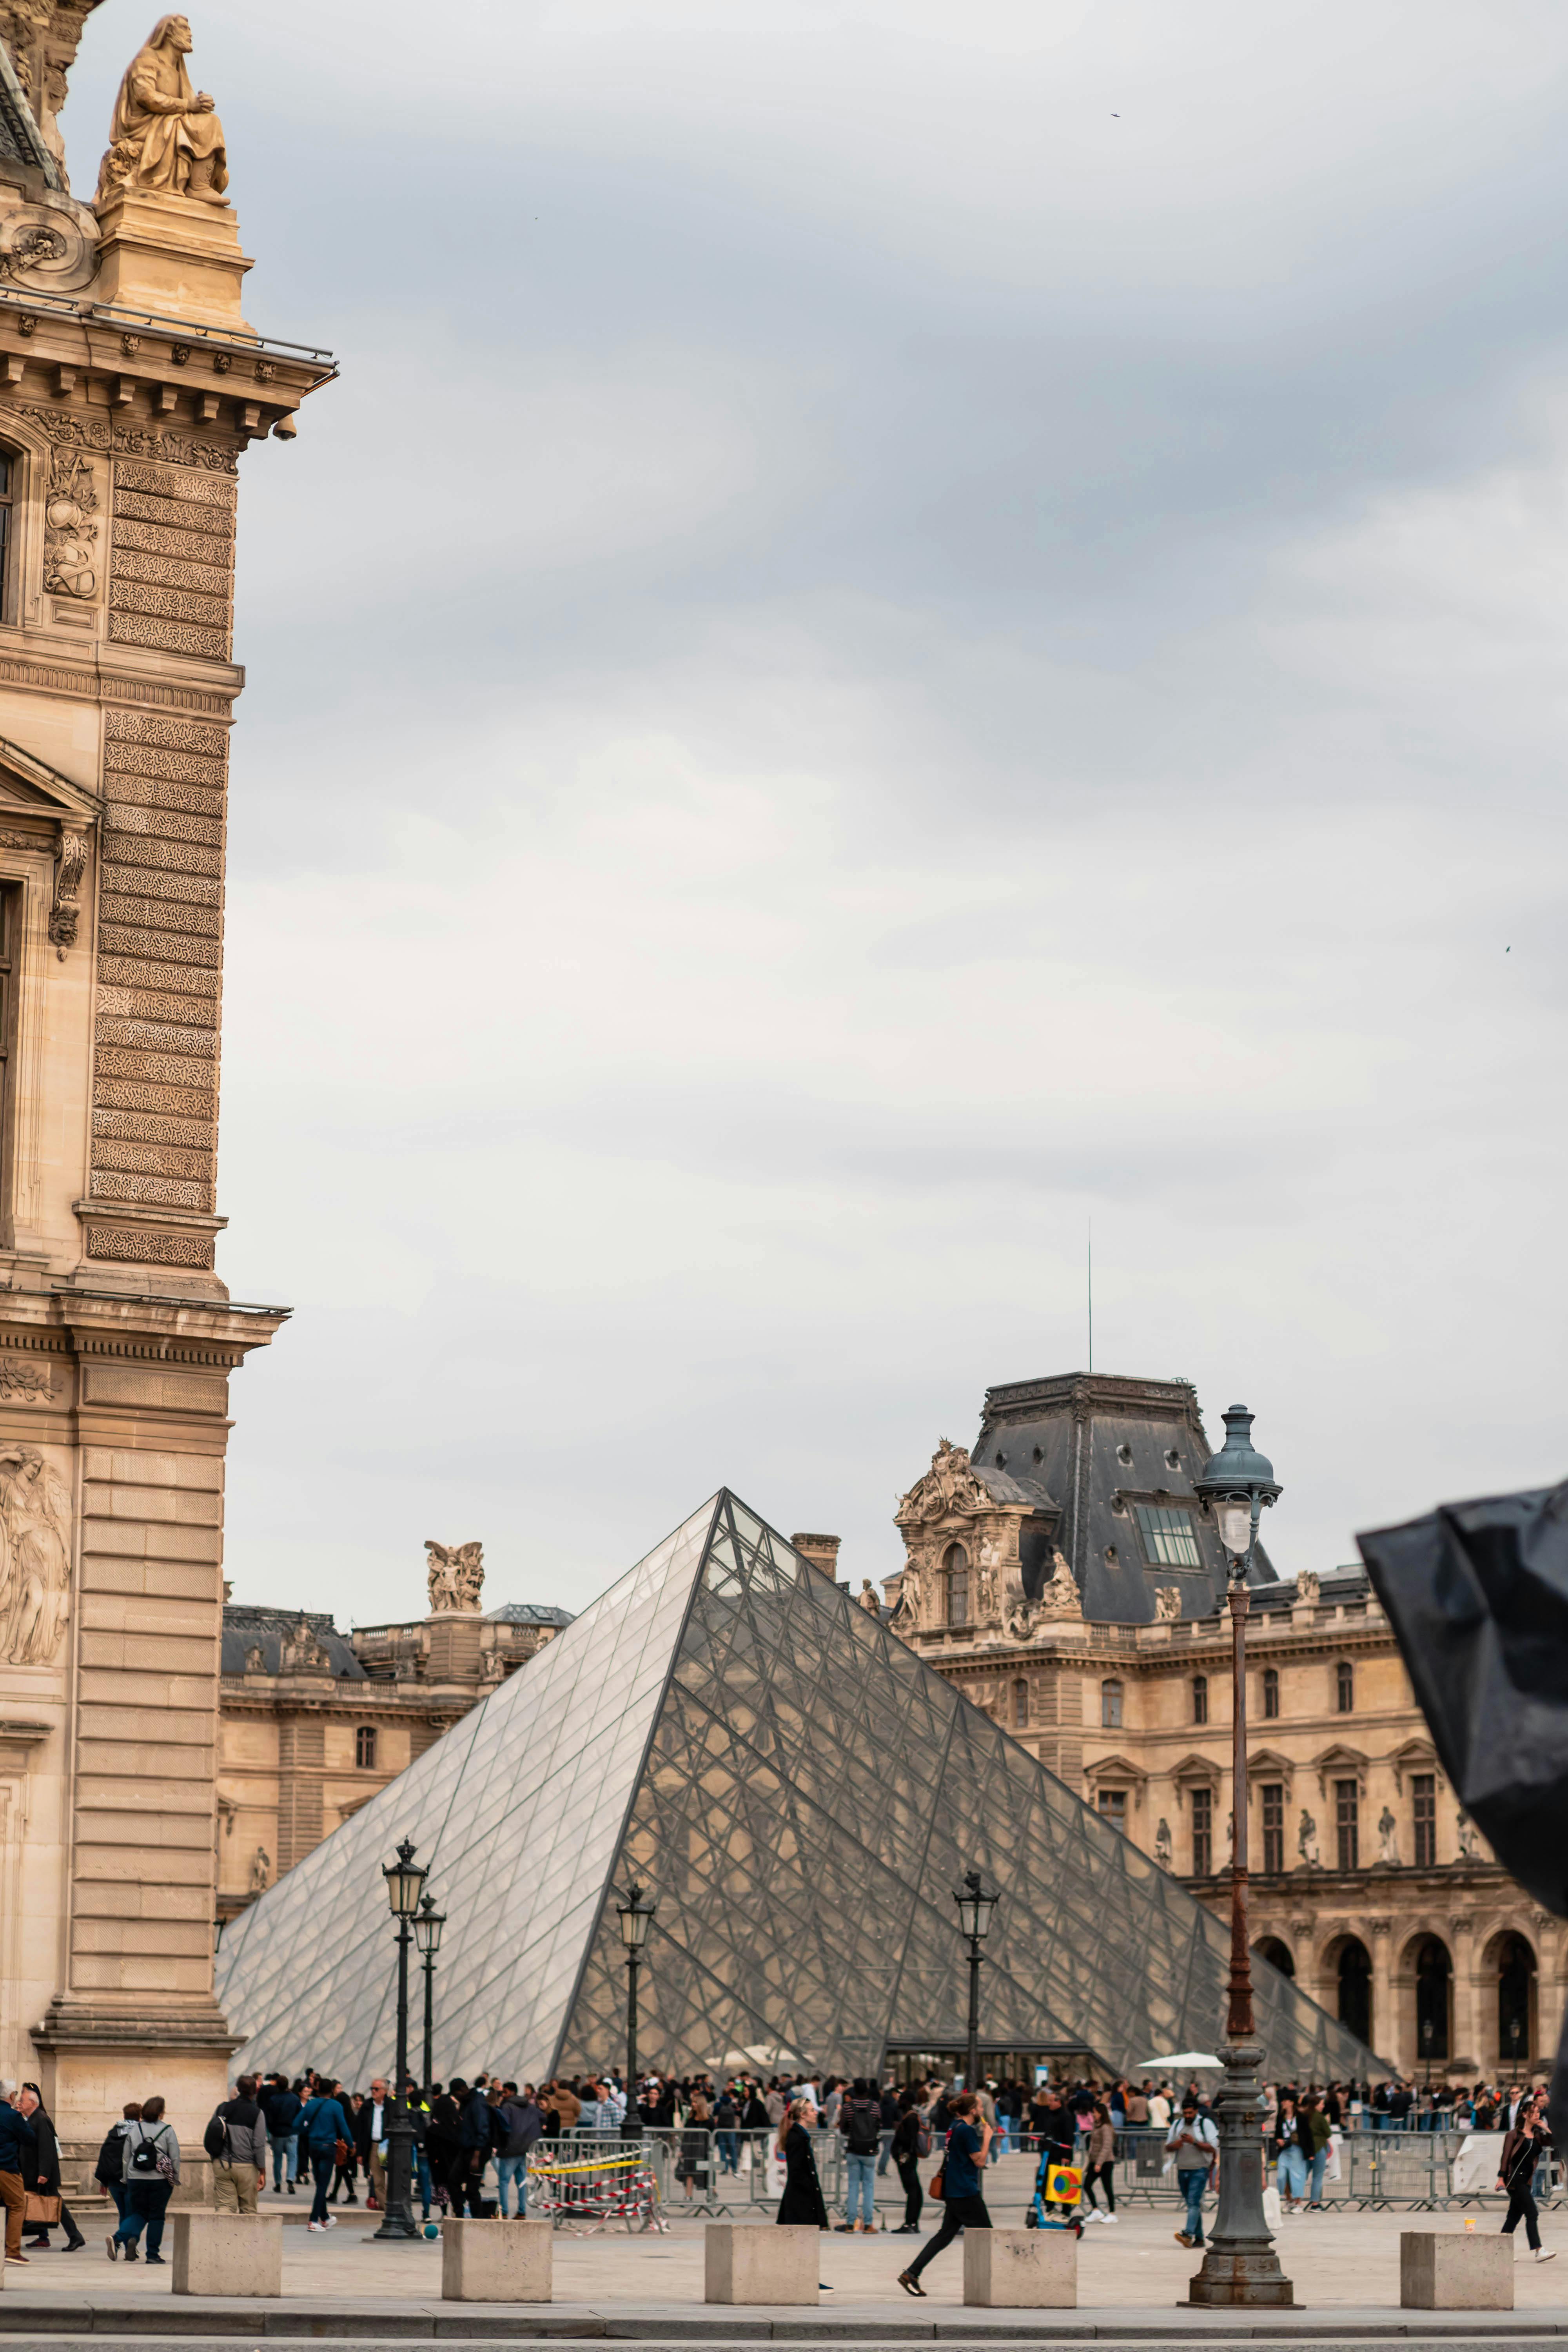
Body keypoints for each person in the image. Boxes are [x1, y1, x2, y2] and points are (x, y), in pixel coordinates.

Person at [897, 2089, 990, 2296]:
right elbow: (980, 2161)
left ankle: (911, 2273)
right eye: (981, 2107)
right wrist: (988, 2138)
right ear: (973, 2110)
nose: (983, 2110)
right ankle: (995, 2282)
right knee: (989, 2235)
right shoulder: (966, 2130)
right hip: (965, 2191)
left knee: (945, 2235)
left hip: (953, 2189)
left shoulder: (954, 2127)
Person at [109, 2094, 179, 2263]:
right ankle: (153, 2255)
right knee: (156, 2216)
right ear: (161, 2113)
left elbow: (126, 2157)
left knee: (139, 2213)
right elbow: (175, 2156)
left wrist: (127, 2178)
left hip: (136, 2178)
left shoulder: (135, 2129)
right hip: (160, 2180)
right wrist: (175, 2177)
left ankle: (117, 2238)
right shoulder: (167, 2130)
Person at [16, 2083, 83, 2253]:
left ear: (33, 2102)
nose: (20, 2102)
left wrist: (44, 2173)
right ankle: (45, 2235)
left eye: (23, 2100)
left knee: (56, 2204)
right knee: (46, 2203)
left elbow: (47, 2148)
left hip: (42, 2174)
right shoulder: (32, 2118)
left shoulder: (41, 2119)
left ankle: (75, 2236)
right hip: (32, 2172)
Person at [1499, 2094, 1557, 2263]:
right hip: (1514, 2180)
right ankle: (1539, 2250)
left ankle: (1500, 2250)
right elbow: (1506, 2157)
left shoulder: (1538, 2136)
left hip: (1526, 2181)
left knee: (1513, 2217)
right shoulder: (1514, 2135)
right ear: (1524, 2114)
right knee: (1532, 2213)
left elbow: (1554, 2142)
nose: (1537, 2115)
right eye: (1533, 2112)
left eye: (1538, 2112)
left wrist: (1544, 2127)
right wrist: (1501, 2178)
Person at [297, 2078, 354, 2233]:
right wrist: (351, 2145)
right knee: (323, 2185)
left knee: (320, 2183)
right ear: (332, 2091)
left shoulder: (311, 2104)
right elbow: (344, 2128)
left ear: (317, 2088)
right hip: (328, 2147)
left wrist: (310, 2134)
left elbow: (297, 2124)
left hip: (313, 2146)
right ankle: (313, 2220)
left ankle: (325, 2217)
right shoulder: (336, 2106)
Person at [206, 2074, 266, 2217]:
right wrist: (262, 2171)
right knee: (248, 2210)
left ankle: (221, 2238)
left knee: (224, 2207)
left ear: (238, 2089)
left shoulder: (222, 2108)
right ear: (255, 2091)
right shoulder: (257, 2113)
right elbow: (259, 2145)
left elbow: (212, 2133)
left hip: (222, 2164)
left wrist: (215, 2158)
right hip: (247, 2167)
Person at [1166, 2096, 1218, 2251]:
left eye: (1190, 2113)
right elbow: (1168, 2147)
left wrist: (1194, 2142)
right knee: (1192, 2204)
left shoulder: (1205, 2124)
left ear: (1196, 2111)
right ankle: (1200, 2239)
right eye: (1185, 2113)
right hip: (1183, 2169)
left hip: (1200, 2169)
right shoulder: (1177, 2125)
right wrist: (1178, 2144)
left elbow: (1213, 2147)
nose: (1188, 2116)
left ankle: (1188, 2233)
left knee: (1194, 2201)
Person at [777, 2098, 829, 2229]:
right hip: (801, 2200)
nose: (816, 2113)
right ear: (803, 2115)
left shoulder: (801, 2136)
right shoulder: (797, 2138)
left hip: (803, 2197)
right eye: (812, 2110)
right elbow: (797, 2171)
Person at [838, 2078, 881, 2232]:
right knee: (869, 2187)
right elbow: (879, 2125)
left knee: (853, 2186)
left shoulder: (848, 2107)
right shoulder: (874, 2106)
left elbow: (843, 2127)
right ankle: (868, 2224)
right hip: (870, 2151)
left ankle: (850, 2224)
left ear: (854, 2091)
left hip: (853, 2149)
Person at [0, 2082, 35, 2268]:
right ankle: (13, 2251)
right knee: (17, 2206)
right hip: (6, 2168)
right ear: (12, 2096)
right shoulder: (13, 2116)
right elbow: (30, 2139)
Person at [495, 2087, 541, 2217]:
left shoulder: (507, 2107)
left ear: (511, 2093)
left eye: (505, 2092)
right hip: (526, 2148)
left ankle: (503, 2212)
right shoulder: (531, 2107)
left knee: (504, 2181)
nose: (503, 2095)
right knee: (522, 2182)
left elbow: (503, 2125)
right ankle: (522, 2211)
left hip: (510, 2149)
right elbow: (542, 2117)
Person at [94, 2104, 139, 2230]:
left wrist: (104, 2181)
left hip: (114, 2182)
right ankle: (123, 2242)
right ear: (140, 2117)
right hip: (131, 2180)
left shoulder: (114, 2132)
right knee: (131, 2214)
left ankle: (123, 2244)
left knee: (124, 2214)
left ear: (124, 2116)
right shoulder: (139, 2133)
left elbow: (104, 2156)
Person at [890, 2087, 924, 2234]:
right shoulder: (909, 2117)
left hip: (907, 2159)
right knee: (914, 2190)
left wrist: (899, 2130)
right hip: (908, 2158)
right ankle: (912, 2222)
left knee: (913, 2191)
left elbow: (910, 2140)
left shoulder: (910, 2118)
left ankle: (910, 2223)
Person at [354, 2079, 389, 2212]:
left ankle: (392, 2205)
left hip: (388, 2146)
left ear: (385, 2091)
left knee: (392, 2177)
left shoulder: (392, 2106)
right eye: (372, 2089)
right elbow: (361, 2130)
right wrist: (360, 2153)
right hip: (374, 2145)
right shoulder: (367, 2106)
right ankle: (386, 2207)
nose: (373, 2091)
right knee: (377, 2178)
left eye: (376, 2089)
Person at [262, 2074, 301, 2194]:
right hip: (292, 2132)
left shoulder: (273, 2100)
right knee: (293, 2158)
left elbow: (269, 2118)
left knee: (278, 2159)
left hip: (278, 2133)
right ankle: (290, 2181)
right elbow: (300, 2115)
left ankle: (278, 2183)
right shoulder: (295, 2099)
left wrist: (272, 2131)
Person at [1080, 2100, 1118, 2224]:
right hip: (1094, 2161)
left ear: (1101, 2113)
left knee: (1108, 2187)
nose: (1094, 2115)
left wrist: (1099, 2163)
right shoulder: (1097, 2126)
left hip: (1105, 2162)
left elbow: (1107, 2146)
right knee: (1087, 2185)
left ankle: (1112, 2213)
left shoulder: (1106, 2127)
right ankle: (1096, 2210)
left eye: (1095, 2113)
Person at [1272, 2093, 1306, 2213]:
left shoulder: (1301, 2117)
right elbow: (1277, 2132)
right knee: (1282, 2176)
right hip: (1284, 2150)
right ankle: (1289, 2200)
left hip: (1297, 2148)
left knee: (1297, 2176)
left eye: (1286, 2101)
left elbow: (1307, 2134)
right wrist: (1278, 2140)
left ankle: (1298, 2203)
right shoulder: (1281, 2117)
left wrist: (1310, 2153)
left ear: (1292, 2102)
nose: (1283, 2103)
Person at [1300, 2092, 1332, 2210]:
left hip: (1306, 2149)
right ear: (1316, 2105)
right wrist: (1327, 2122)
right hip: (1319, 2148)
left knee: (1302, 2175)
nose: (1323, 2106)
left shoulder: (1304, 2116)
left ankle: (1295, 2200)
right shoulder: (1319, 2117)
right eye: (1322, 2104)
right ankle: (1315, 2203)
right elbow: (1328, 2133)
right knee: (1318, 2177)